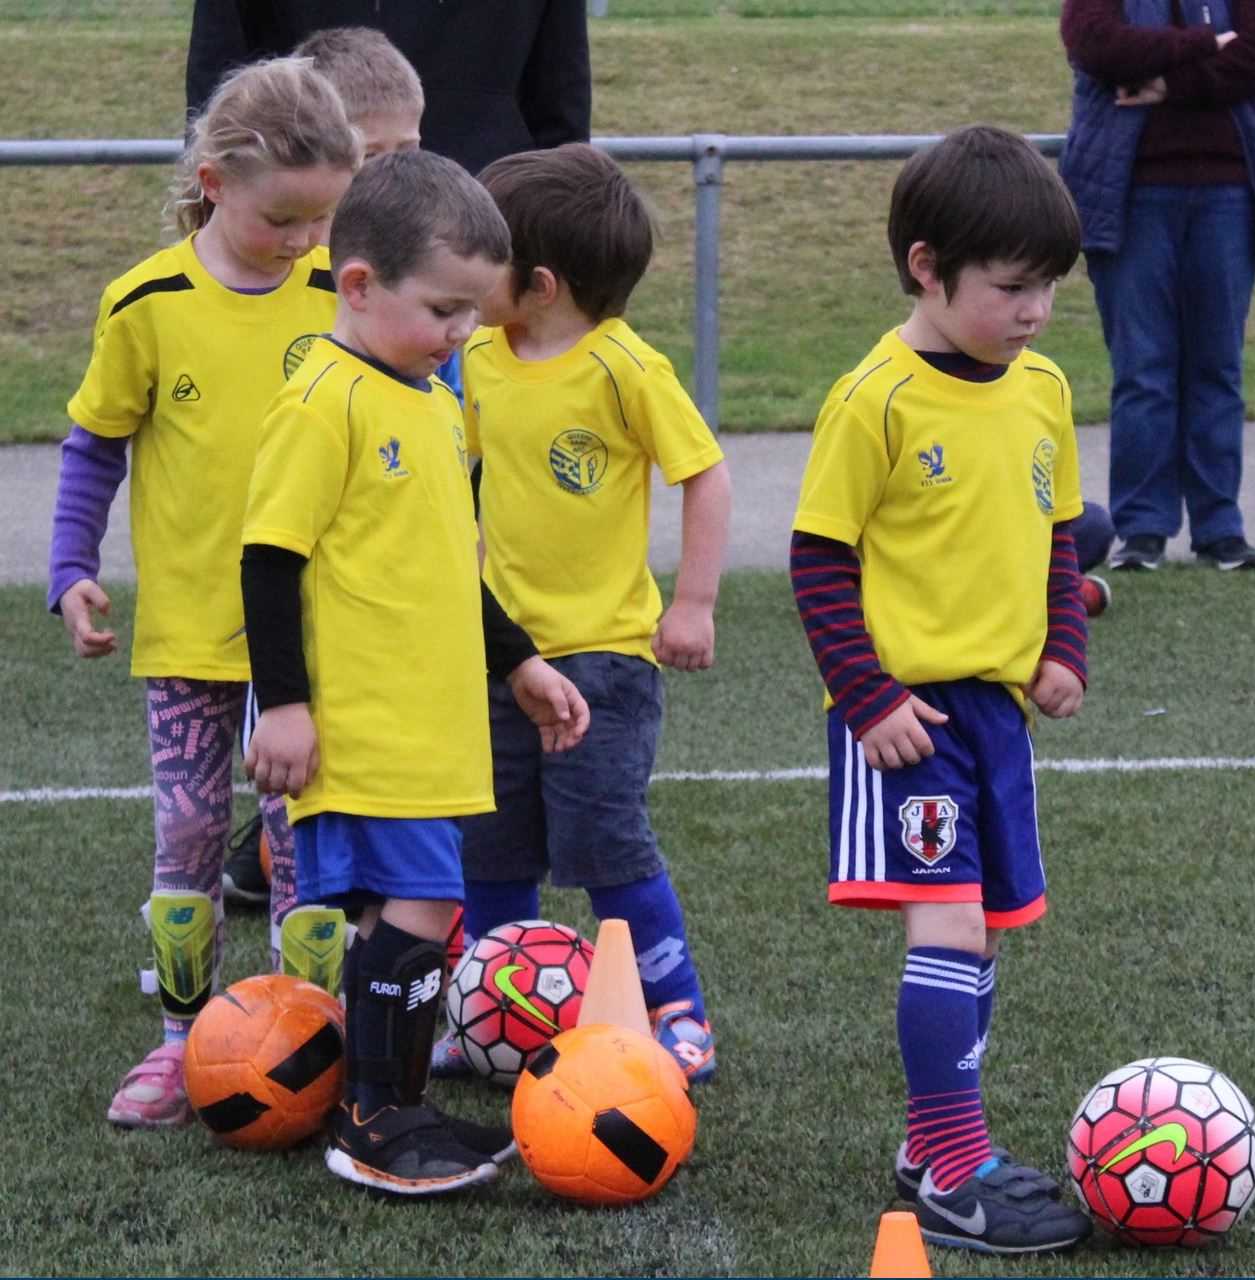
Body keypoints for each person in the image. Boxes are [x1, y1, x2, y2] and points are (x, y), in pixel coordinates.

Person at [240, 148, 590, 1195]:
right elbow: (266, 559)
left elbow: (447, 566)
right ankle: (376, 1120)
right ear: (358, 284)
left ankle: (385, 1102)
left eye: (473, 313)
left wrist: (518, 659)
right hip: (368, 725)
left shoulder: (432, 402)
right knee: (423, 908)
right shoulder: (325, 402)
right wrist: (288, 704)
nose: (462, 333)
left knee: (421, 912)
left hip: (438, 726)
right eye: (443, 309)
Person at [789, 126, 1094, 1254]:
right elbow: (818, 558)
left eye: (1051, 288)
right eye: (1012, 288)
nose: (1034, 313)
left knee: (990, 932)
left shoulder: (1044, 388)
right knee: (951, 925)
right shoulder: (874, 399)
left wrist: (1063, 646)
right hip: (904, 722)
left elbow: (1057, 528)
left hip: (994, 714)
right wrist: (866, 698)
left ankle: (933, 1141)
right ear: (927, 267)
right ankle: (958, 1172)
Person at [47, 57, 361, 1128]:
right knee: (187, 832)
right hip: (186, 634)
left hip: (313, 645)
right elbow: (95, 445)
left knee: (301, 842)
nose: (309, 242)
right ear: (216, 180)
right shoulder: (145, 301)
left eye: (324, 218)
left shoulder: (341, 298)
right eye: (287, 218)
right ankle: (184, 1043)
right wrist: (72, 568)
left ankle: (309, 1038)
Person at [429, 142, 732, 1085]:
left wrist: (692, 602)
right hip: (501, 655)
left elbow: (706, 475)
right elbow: (467, 475)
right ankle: (495, 1009)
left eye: (486, 259)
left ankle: (676, 1010)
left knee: (604, 840)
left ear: (543, 282)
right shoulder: (478, 355)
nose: (467, 277)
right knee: (491, 844)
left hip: (604, 658)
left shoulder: (623, 368)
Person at [220, 25, 446, 913]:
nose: (393, 173)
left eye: (409, 150)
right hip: (304, 591)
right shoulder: (313, 288)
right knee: (302, 793)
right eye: (373, 154)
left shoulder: (417, 286)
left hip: (405, 592)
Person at [1059, 0, 1255, 572]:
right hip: (1131, 198)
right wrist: (1204, 44)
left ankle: (1220, 528)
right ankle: (1142, 530)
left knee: (1216, 368)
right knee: (1142, 370)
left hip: (1228, 196)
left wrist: (1166, 84)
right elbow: (1097, 45)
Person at [185, 0, 591, 178]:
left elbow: (559, 92)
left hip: (485, 224)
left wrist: (557, 223)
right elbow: (224, 79)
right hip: (306, 219)